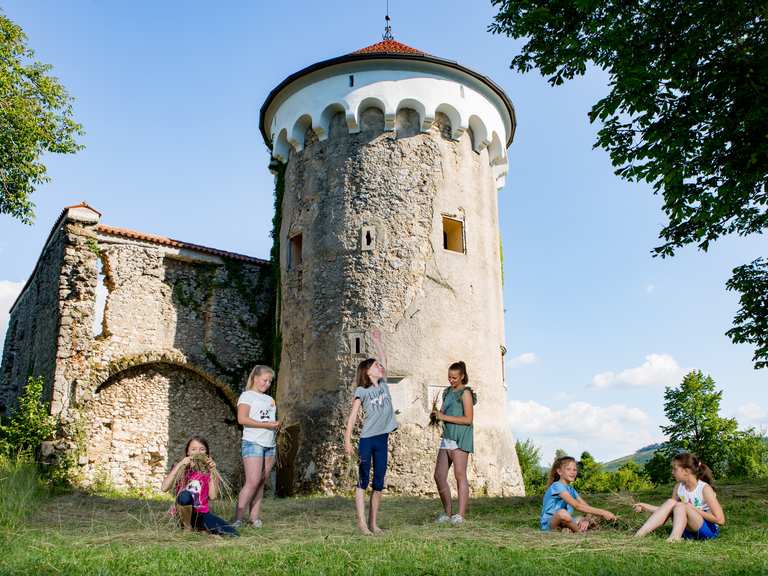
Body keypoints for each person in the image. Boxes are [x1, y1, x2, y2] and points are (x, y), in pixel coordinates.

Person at [343, 329, 398, 535]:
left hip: (383, 439)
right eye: (376, 366)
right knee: (363, 481)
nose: (380, 367)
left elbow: (385, 360)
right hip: (367, 439)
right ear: (367, 371)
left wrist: (378, 341)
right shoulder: (362, 391)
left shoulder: (383, 385)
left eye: (379, 365)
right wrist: (348, 441)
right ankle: (362, 524)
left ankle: (373, 523)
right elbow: (352, 417)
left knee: (378, 482)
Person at [634, 452, 725, 541]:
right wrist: (645, 506)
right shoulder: (679, 487)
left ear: (686, 471)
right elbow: (666, 510)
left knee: (681, 505)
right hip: (688, 532)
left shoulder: (704, 488)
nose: (672, 472)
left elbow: (720, 520)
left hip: (707, 531)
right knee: (671, 502)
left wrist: (693, 508)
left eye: (675, 469)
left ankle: (674, 538)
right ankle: (639, 534)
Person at [161, 435, 237, 536]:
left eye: (202, 449)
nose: (197, 452)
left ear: (206, 453)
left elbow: (213, 496)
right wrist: (180, 464)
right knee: (185, 496)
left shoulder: (208, 472)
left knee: (231, 532)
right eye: (193, 449)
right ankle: (187, 527)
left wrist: (213, 471)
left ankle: (200, 529)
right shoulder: (182, 468)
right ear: (188, 452)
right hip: (183, 514)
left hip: (201, 514)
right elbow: (164, 488)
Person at [233, 365, 279, 529]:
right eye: (264, 380)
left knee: (261, 482)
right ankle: (237, 518)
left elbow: (269, 420)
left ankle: (254, 518)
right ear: (255, 378)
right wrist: (266, 424)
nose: (267, 384)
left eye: (269, 381)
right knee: (252, 481)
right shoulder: (247, 396)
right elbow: (242, 419)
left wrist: (276, 425)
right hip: (253, 443)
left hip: (270, 444)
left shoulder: (270, 399)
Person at [431, 361, 475, 525]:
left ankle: (460, 515)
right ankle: (447, 512)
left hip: (461, 437)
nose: (451, 380)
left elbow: (468, 420)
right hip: (447, 437)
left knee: (459, 475)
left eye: (454, 378)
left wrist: (444, 417)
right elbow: (443, 412)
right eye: (449, 377)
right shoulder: (447, 392)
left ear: (462, 376)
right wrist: (436, 415)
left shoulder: (466, 393)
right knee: (439, 475)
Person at [540, 455, 617, 532]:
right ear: (559, 471)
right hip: (551, 524)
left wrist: (586, 519)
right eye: (568, 469)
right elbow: (577, 506)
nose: (572, 472)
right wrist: (603, 512)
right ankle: (579, 533)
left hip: (565, 521)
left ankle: (569, 529)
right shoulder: (557, 486)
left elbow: (586, 507)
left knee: (584, 518)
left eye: (575, 470)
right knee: (562, 513)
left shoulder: (571, 489)